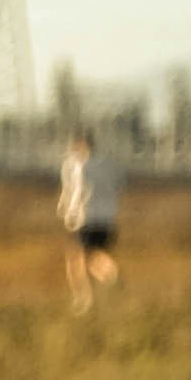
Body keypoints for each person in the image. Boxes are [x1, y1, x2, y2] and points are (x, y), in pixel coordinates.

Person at [58, 130, 121, 304]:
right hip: (108, 218)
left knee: (76, 258)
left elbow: (78, 191)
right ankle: (101, 287)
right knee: (91, 257)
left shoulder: (81, 167)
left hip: (87, 218)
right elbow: (117, 188)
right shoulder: (108, 165)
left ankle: (89, 294)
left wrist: (69, 213)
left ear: (82, 146)